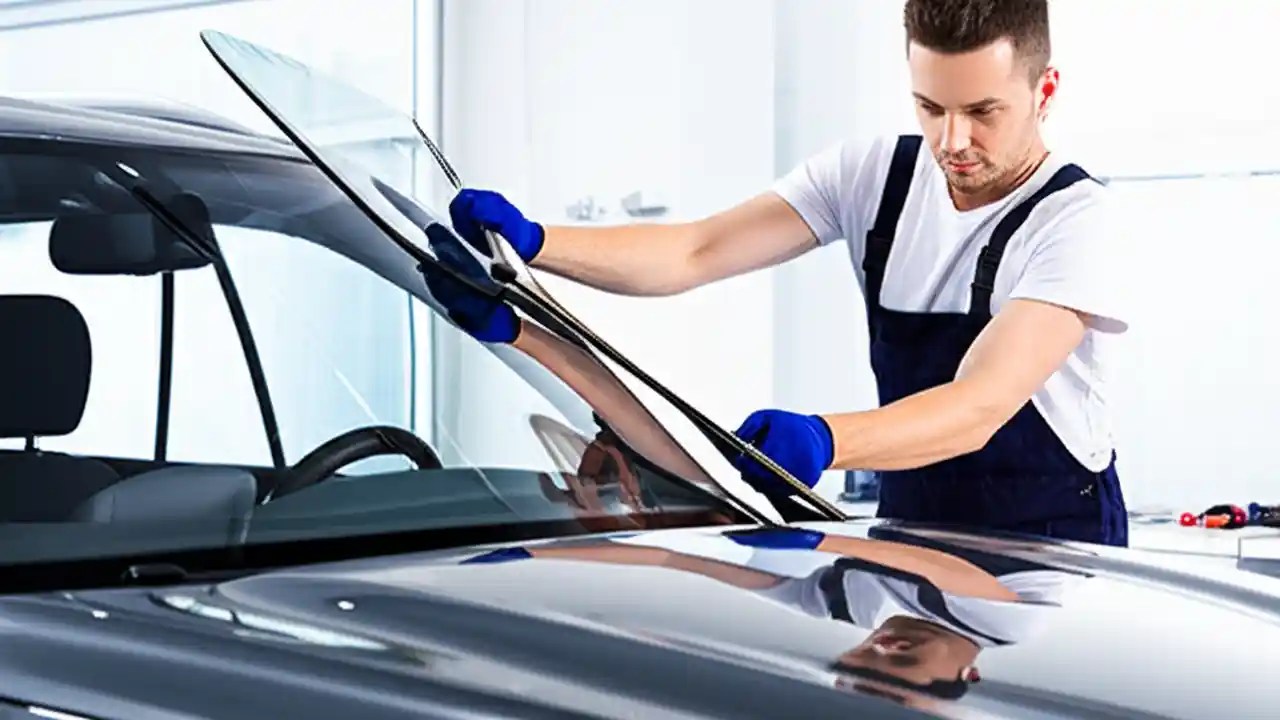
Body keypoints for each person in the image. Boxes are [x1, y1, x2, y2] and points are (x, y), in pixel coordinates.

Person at [445, 0, 1131, 546]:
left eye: (983, 112)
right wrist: (535, 245)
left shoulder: (1074, 219)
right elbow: (696, 250)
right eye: (931, 107)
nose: (951, 141)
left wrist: (825, 438)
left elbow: (977, 408)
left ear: (1045, 92)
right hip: (915, 534)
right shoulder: (872, 177)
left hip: (1052, 556)